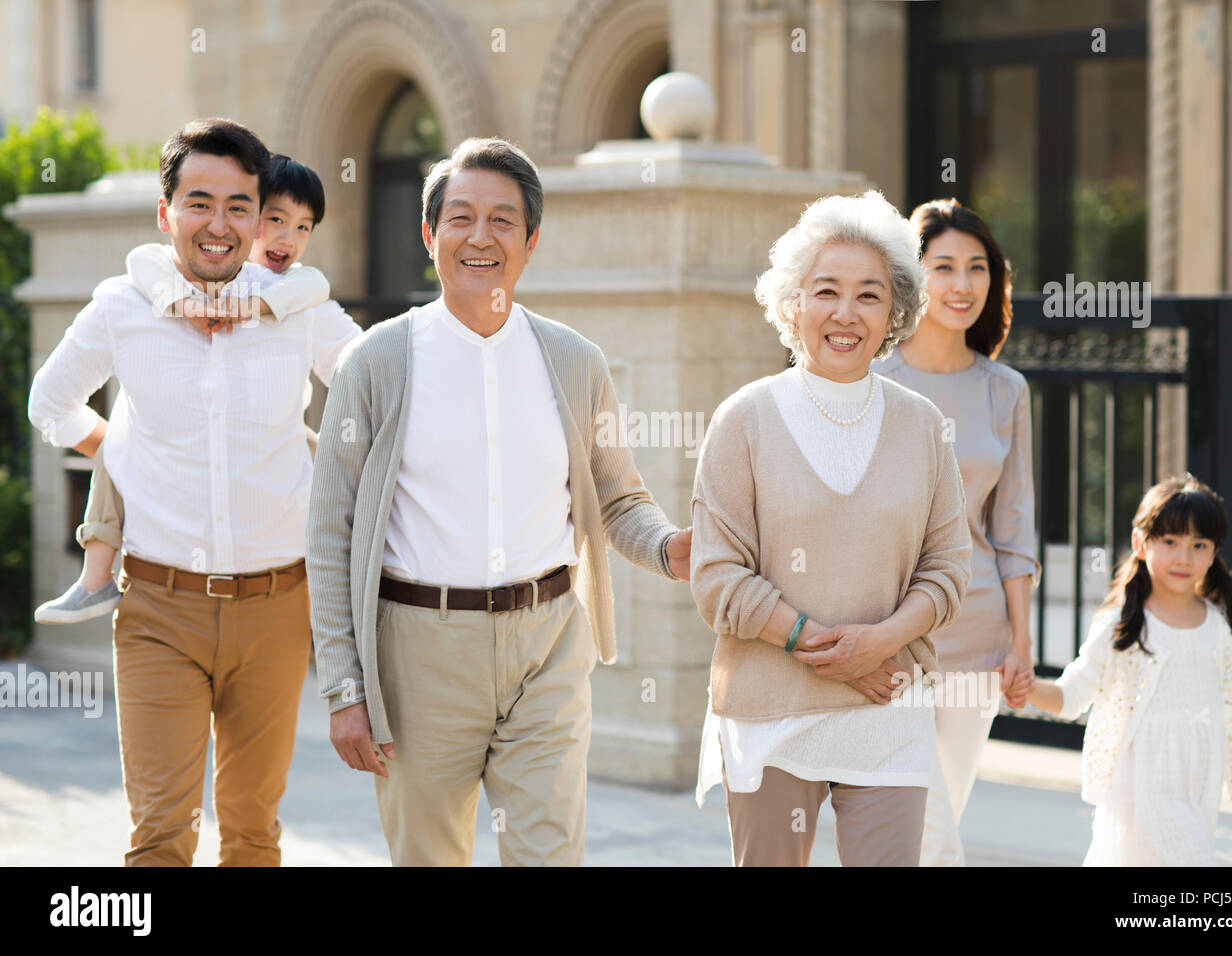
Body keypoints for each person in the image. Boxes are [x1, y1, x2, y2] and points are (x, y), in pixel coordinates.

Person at [307, 136, 693, 867]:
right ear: (430, 235)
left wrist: (671, 549)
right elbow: (330, 532)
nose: (480, 237)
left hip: (547, 643)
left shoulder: (576, 362)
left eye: (502, 221)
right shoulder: (375, 363)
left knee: (548, 856)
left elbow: (618, 501)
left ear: (531, 240)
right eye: (460, 218)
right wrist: (343, 688)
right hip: (417, 651)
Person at [27, 119, 362, 865]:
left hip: (278, 608)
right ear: (165, 212)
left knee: (252, 833)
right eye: (199, 202)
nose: (220, 224)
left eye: (239, 205)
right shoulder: (123, 305)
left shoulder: (296, 309)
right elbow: (49, 405)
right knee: (159, 836)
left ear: (257, 213)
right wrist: (122, 452)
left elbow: (376, 380)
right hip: (156, 611)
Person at [689, 191, 972, 866]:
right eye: (827, 291)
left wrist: (884, 642)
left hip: (889, 714)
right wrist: (832, 650)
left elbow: (949, 568)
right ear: (793, 304)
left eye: (869, 296)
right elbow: (715, 576)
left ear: (896, 312)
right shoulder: (744, 419)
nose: (846, 314)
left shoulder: (923, 427)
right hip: (771, 712)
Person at [34, 153, 334, 625]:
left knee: (315, 454)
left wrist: (258, 305)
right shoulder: (151, 282)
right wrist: (179, 305)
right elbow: (143, 260)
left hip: (270, 582)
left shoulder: (301, 294)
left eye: (303, 227)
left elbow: (316, 288)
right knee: (121, 446)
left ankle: (327, 582)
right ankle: (95, 579)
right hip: (159, 589)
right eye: (275, 220)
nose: (287, 238)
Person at [872, 198, 1039, 866]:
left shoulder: (1006, 390)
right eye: (944, 267)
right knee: (928, 828)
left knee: (931, 827)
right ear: (914, 276)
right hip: (889, 639)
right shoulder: (872, 380)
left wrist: (1021, 642)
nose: (963, 284)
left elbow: (1015, 527)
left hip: (978, 642)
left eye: (978, 267)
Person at [1005, 475, 1232, 865]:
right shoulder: (1124, 626)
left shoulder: (1218, 628)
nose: (1183, 557)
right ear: (1141, 543)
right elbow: (1072, 696)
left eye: (1198, 545)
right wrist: (1028, 688)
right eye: (1170, 541)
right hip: (1137, 789)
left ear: (1213, 553)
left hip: (1196, 788)